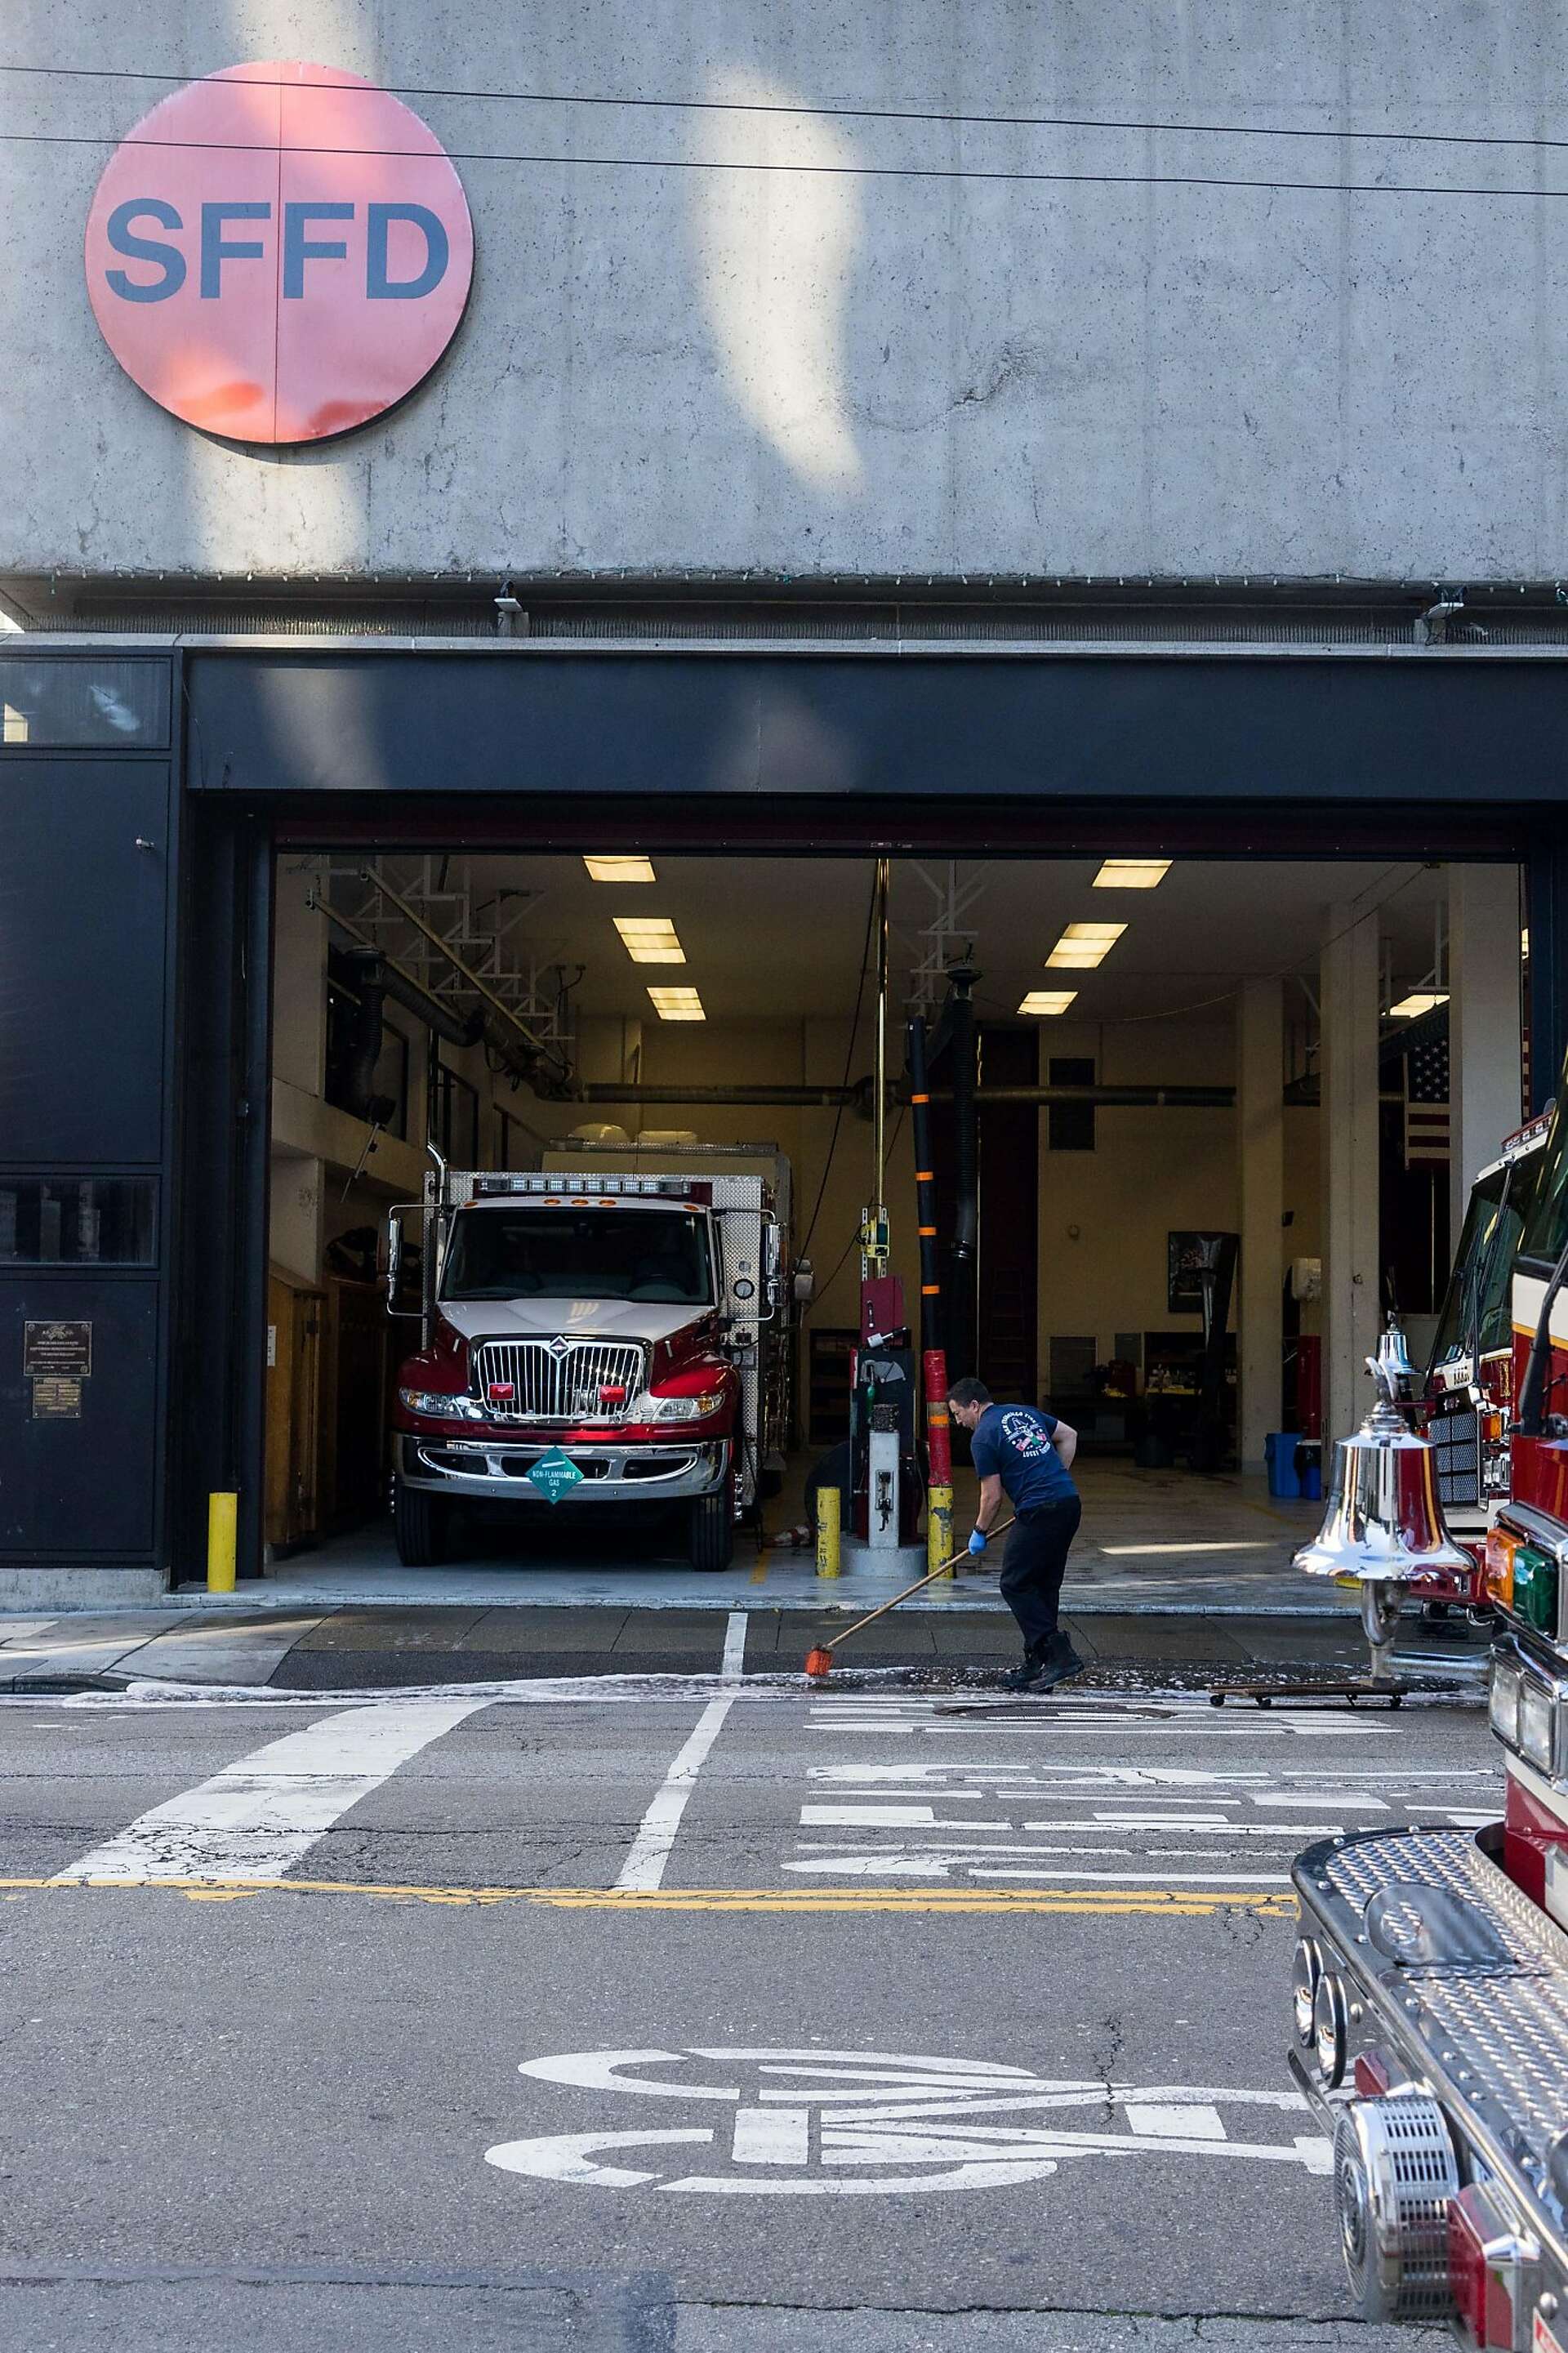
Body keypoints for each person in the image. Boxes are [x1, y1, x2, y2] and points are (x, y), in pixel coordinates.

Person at [947, 1376, 1085, 1693]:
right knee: (1043, 1585)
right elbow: (1069, 1435)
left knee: (1014, 1583)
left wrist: (979, 1531)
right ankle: (1039, 1665)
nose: (958, 1422)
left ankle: (1058, 1654)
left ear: (974, 1406)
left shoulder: (983, 1436)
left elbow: (991, 1497)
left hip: (1040, 1511)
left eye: (958, 1414)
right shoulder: (1025, 1413)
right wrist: (1055, 1477)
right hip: (1067, 1504)